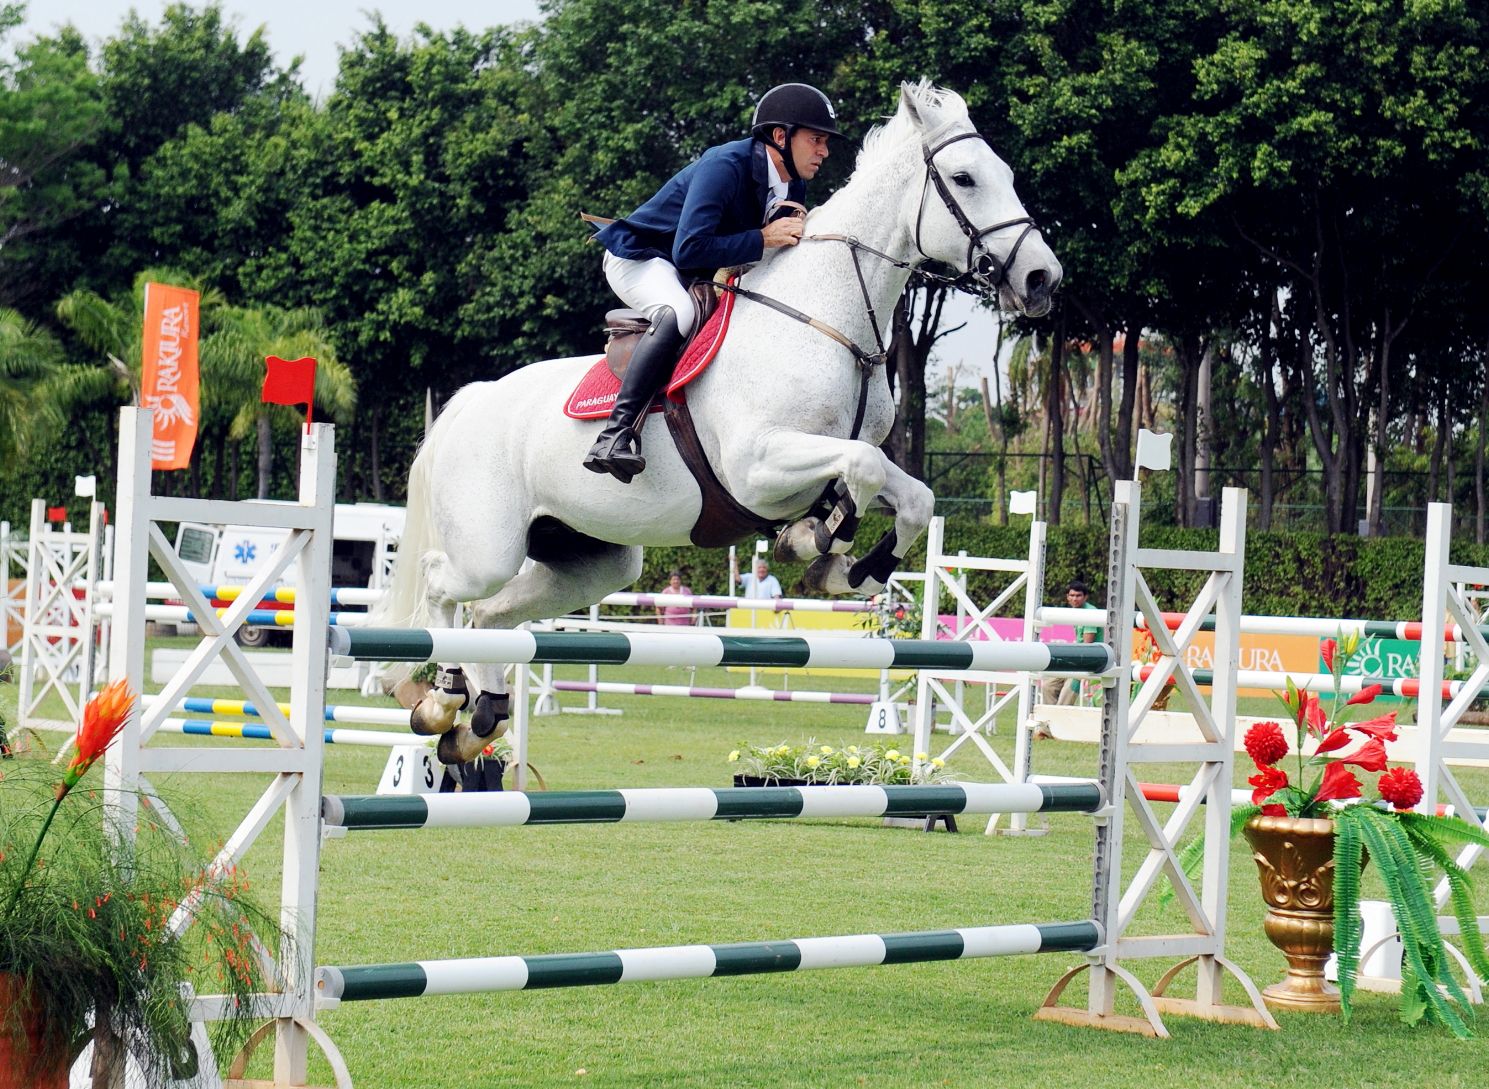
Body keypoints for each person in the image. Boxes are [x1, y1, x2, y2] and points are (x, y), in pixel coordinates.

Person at [584, 83, 843, 483]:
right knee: (680, 312)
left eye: (825, 142)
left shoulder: (794, 183)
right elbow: (689, 249)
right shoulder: (726, 165)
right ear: (780, 136)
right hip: (642, 258)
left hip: (690, 270)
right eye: (817, 140)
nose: (824, 151)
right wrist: (763, 238)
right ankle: (616, 434)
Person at [1041, 580, 1103, 707]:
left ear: (1085, 597)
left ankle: (1058, 717)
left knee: (1067, 691)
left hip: (1089, 660)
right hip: (1077, 658)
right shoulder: (1075, 612)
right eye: (1072, 595)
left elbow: (1087, 645)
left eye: (1078, 595)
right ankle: (1052, 719)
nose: (1075, 599)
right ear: (1067, 597)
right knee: (1048, 686)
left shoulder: (1090, 612)